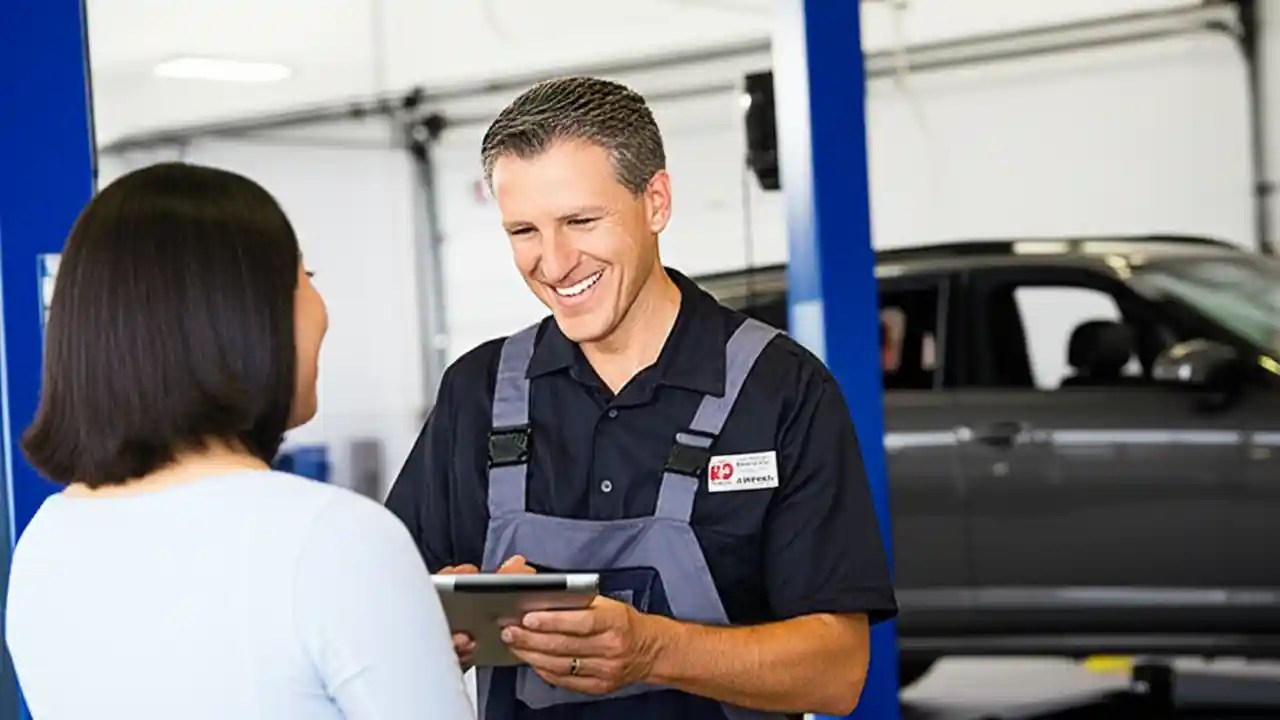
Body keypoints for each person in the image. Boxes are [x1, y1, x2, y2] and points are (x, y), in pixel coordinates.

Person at [386, 76, 897, 720]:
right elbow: (378, 623)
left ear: (655, 201)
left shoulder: (782, 390)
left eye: (580, 221)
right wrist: (441, 614)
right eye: (524, 231)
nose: (554, 261)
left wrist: (652, 650)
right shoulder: (479, 393)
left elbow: (837, 672)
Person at [6, 163, 474, 720]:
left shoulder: (46, 541)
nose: (322, 311)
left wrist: (400, 634)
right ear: (242, 316)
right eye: (307, 277)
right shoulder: (336, 536)